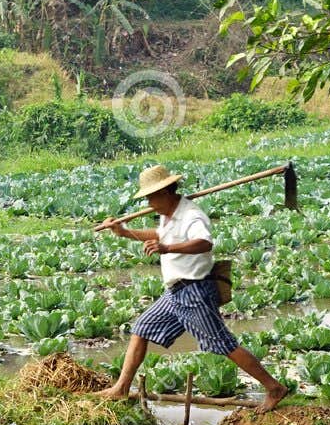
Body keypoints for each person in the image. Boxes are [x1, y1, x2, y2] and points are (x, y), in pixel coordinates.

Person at [93, 164, 289, 411]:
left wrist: (167, 249)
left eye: (151, 197)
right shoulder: (168, 215)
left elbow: (204, 243)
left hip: (194, 292)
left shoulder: (192, 215)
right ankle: (121, 388)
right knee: (141, 328)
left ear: (165, 192)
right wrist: (124, 232)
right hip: (175, 293)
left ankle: (274, 388)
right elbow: (159, 233)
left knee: (223, 344)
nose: (149, 203)